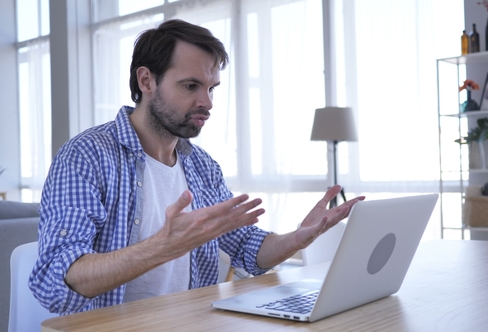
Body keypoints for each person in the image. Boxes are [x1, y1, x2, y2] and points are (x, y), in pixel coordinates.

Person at [29, 19, 364, 315]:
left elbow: (247, 247)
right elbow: (58, 279)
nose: (207, 102)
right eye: (191, 86)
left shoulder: (202, 166)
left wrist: (297, 239)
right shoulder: (86, 156)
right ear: (146, 81)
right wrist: (163, 246)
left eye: (211, 88)